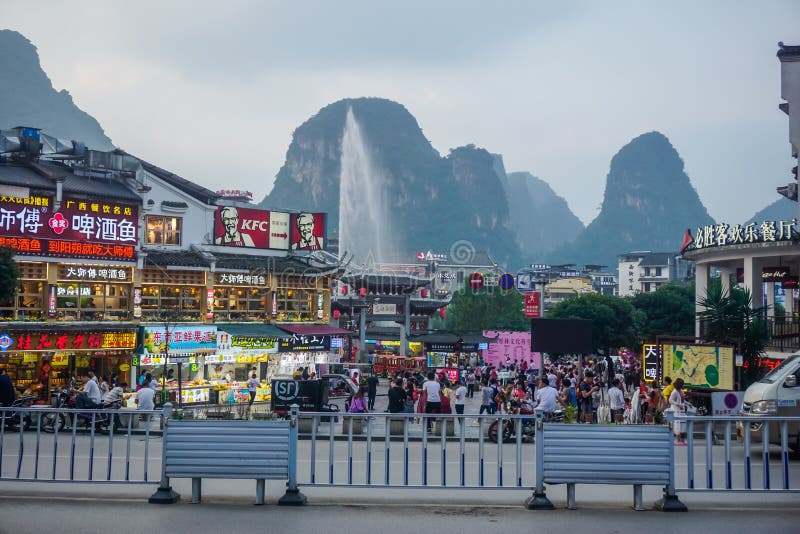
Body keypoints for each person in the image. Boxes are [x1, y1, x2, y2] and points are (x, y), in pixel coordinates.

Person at [669, 378, 687, 445]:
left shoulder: (681, 391)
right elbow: (670, 400)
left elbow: (682, 400)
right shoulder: (675, 392)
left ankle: (681, 440)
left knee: (682, 425)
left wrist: (688, 404)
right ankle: (677, 440)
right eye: (682, 384)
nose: (683, 385)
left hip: (681, 410)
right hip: (676, 410)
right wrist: (678, 404)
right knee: (677, 425)